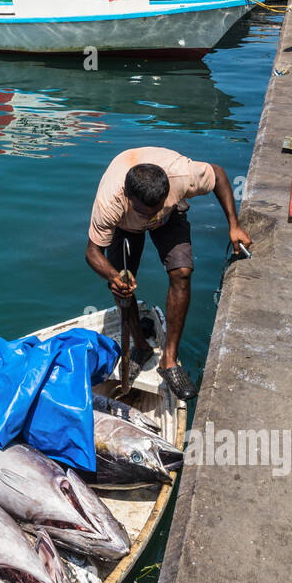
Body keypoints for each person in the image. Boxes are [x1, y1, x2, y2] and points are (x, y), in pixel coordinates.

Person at [85, 147, 252, 401]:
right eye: (144, 212)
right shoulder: (110, 202)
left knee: (183, 272)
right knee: (121, 286)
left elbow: (218, 175)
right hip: (125, 226)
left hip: (170, 217)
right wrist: (114, 277)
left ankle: (169, 360)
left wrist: (234, 224)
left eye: (156, 208)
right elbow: (93, 252)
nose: (150, 216)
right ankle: (141, 347)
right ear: (127, 197)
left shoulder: (182, 175)